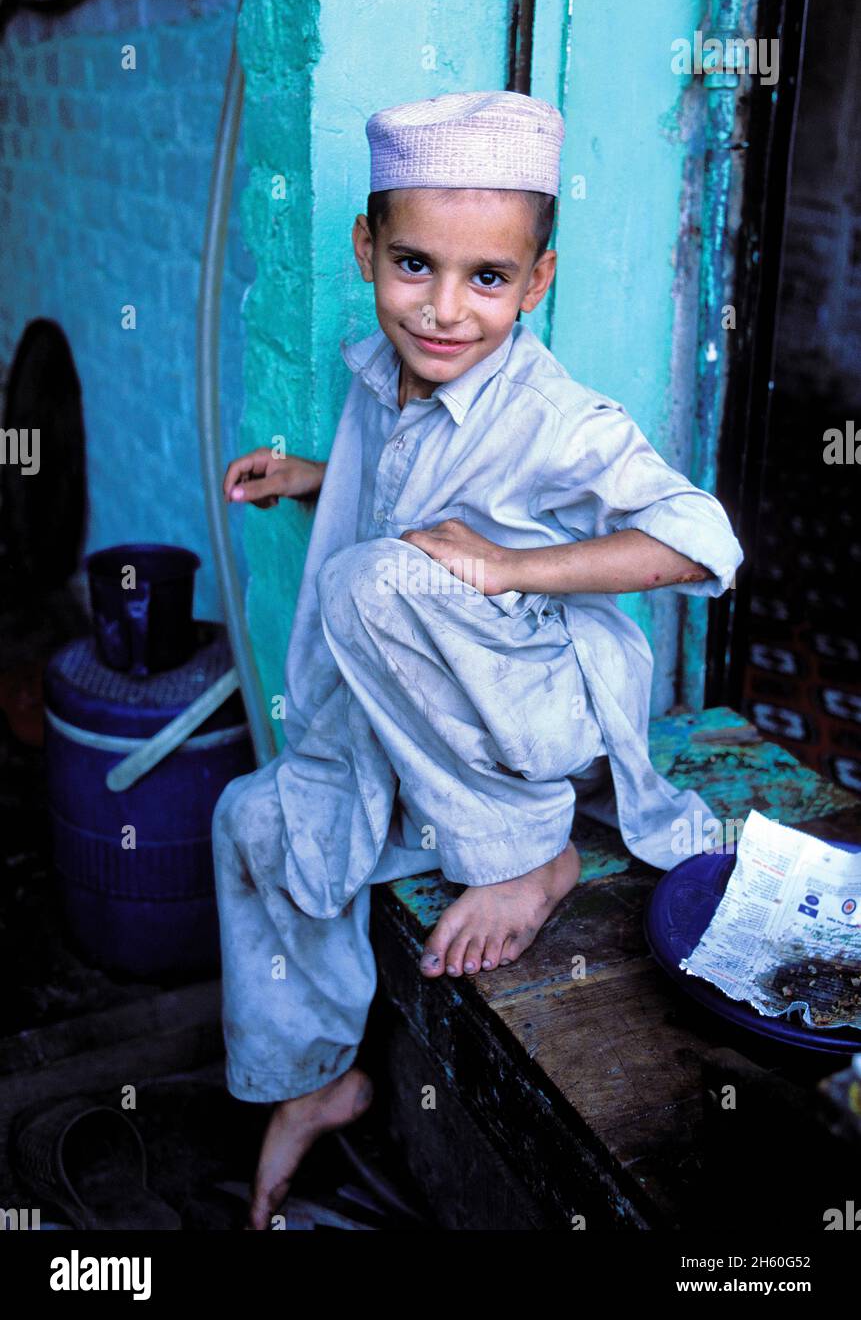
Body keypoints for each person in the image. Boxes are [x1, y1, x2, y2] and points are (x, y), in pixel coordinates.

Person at [212, 90, 744, 1229]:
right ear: (367, 247)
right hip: (429, 726)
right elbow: (401, 488)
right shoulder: (381, 374)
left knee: (371, 580)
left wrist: (515, 567)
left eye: (488, 279)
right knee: (251, 819)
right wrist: (314, 476)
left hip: (537, 718)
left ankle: (531, 858)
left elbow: (705, 538)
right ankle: (318, 1080)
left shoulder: (551, 413)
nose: (446, 309)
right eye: (414, 264)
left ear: (536, 280)